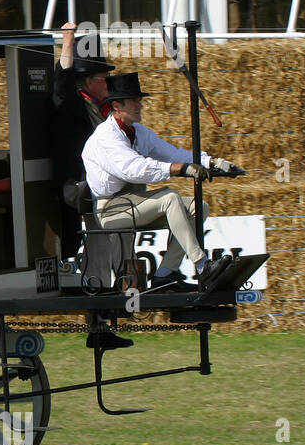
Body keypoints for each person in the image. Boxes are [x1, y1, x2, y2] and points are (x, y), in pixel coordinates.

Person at [82, 72, 236, 292]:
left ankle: (164, 275)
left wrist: (212, 162)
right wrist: (181, 170)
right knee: (170, 198)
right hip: (110, 210)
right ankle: (202, 266)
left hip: (131, 203)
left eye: (139, 100)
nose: (140, 105)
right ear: (117, 105)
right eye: (134, 101)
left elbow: (173, 154)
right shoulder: (106, 137)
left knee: (198, 207)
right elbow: (135, 169)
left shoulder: (139, 133)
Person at [51, 21, 113, 259]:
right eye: (104, 77)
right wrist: (68, 40)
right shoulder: (73, 105)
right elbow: (63, 79)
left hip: (103, 184)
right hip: (78, 184)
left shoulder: (107, 108)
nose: (109, 82)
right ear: (88, 81)